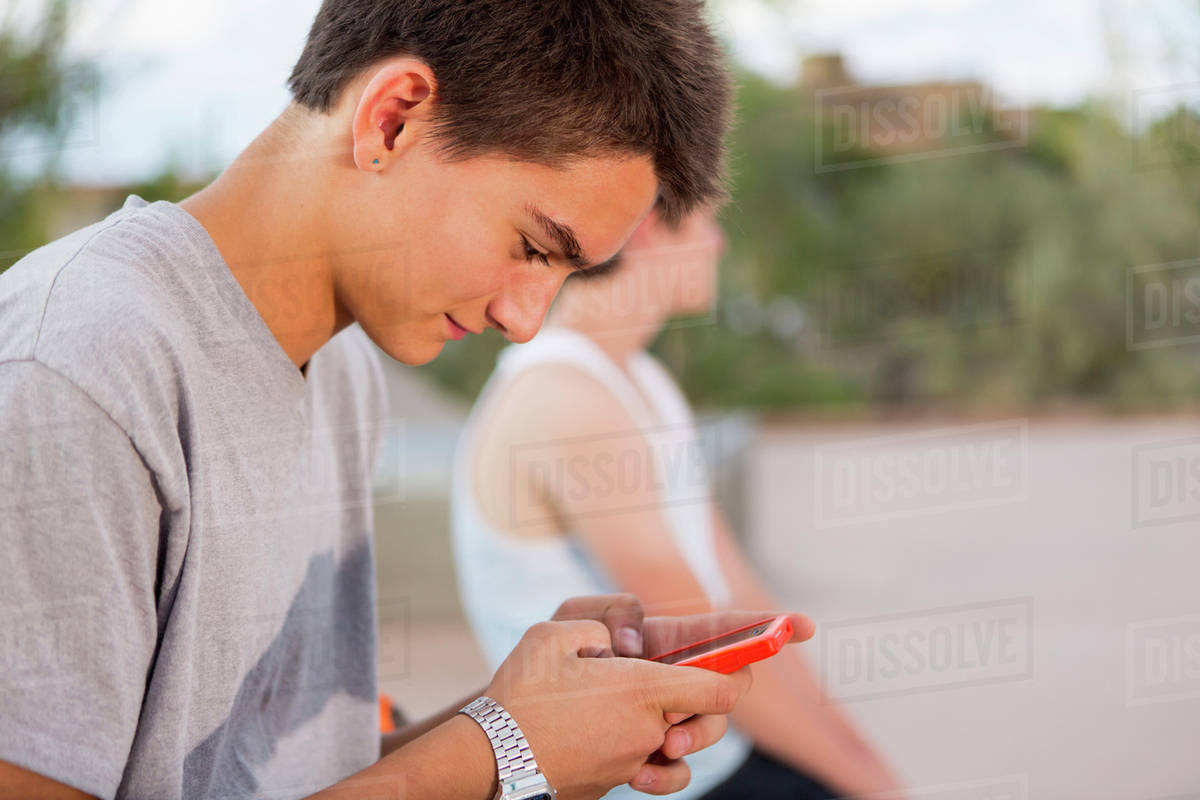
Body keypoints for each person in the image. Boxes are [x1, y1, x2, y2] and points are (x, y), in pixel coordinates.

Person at [0, 2, 818, 799]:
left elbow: (274, 774)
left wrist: (531, 719)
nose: (526, 321)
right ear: (392, 119)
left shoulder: (343, 366)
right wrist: (505, 753)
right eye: (533, 248)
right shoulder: (79, 371)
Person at [453, 209, 907, 799]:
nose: (718, 244)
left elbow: (740, 599)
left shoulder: (641, 381)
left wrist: (863, 761)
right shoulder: (567, 400)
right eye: (708, 223)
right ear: (647, 226)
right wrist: (869, 785)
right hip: (650, 786)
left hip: (714, 764)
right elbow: (712, 648)